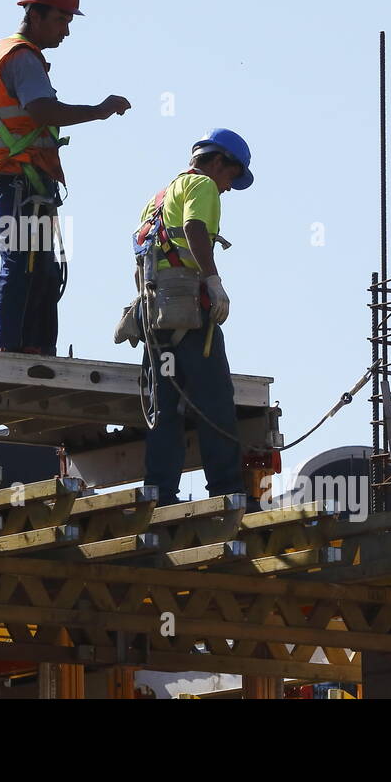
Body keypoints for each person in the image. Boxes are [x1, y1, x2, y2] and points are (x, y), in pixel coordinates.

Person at [0, 0, 130, 355]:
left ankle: (33, 351)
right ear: (35, 14)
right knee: (24, 266)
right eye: (61, 20)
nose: (66, 32)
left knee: (40, 271)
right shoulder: (22, 57)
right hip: (19, 180)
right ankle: (14, 352)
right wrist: (98, 111)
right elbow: (42, 111)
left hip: (20, 181)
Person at [133, 129, 254, 506]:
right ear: (218, 161)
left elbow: (140, 254)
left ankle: (159, 492)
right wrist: (212, 280)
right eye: (231, 177)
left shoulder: (158, 199)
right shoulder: (201, 185)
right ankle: (226, 490)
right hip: (189, 310)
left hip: (156, 315)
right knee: (215, 399)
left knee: (165, 404)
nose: (229, 188)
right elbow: (194, 228)